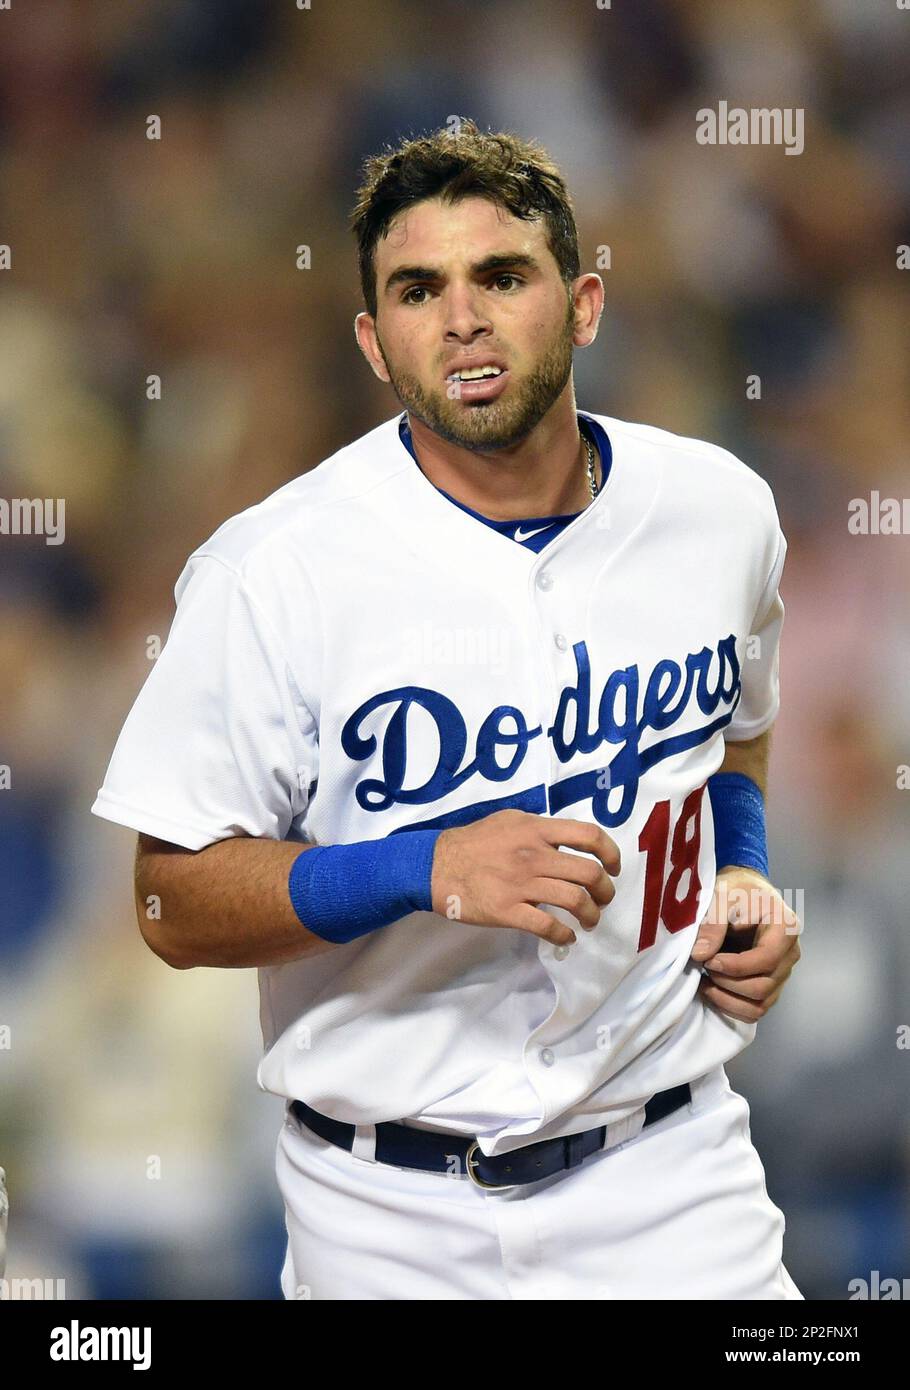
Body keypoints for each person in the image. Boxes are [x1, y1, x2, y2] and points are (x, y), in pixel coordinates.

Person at [93, 119, 802, 1300]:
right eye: (418, 290)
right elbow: (169, 898)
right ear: (375, 342)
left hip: (672, 1177)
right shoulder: (274, 568)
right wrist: (422, 868)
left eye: (500, 276)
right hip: (385, 1216)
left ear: (582, 305)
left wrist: (742, 870)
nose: (461, 318)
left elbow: (740, 725)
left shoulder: (717, 508)